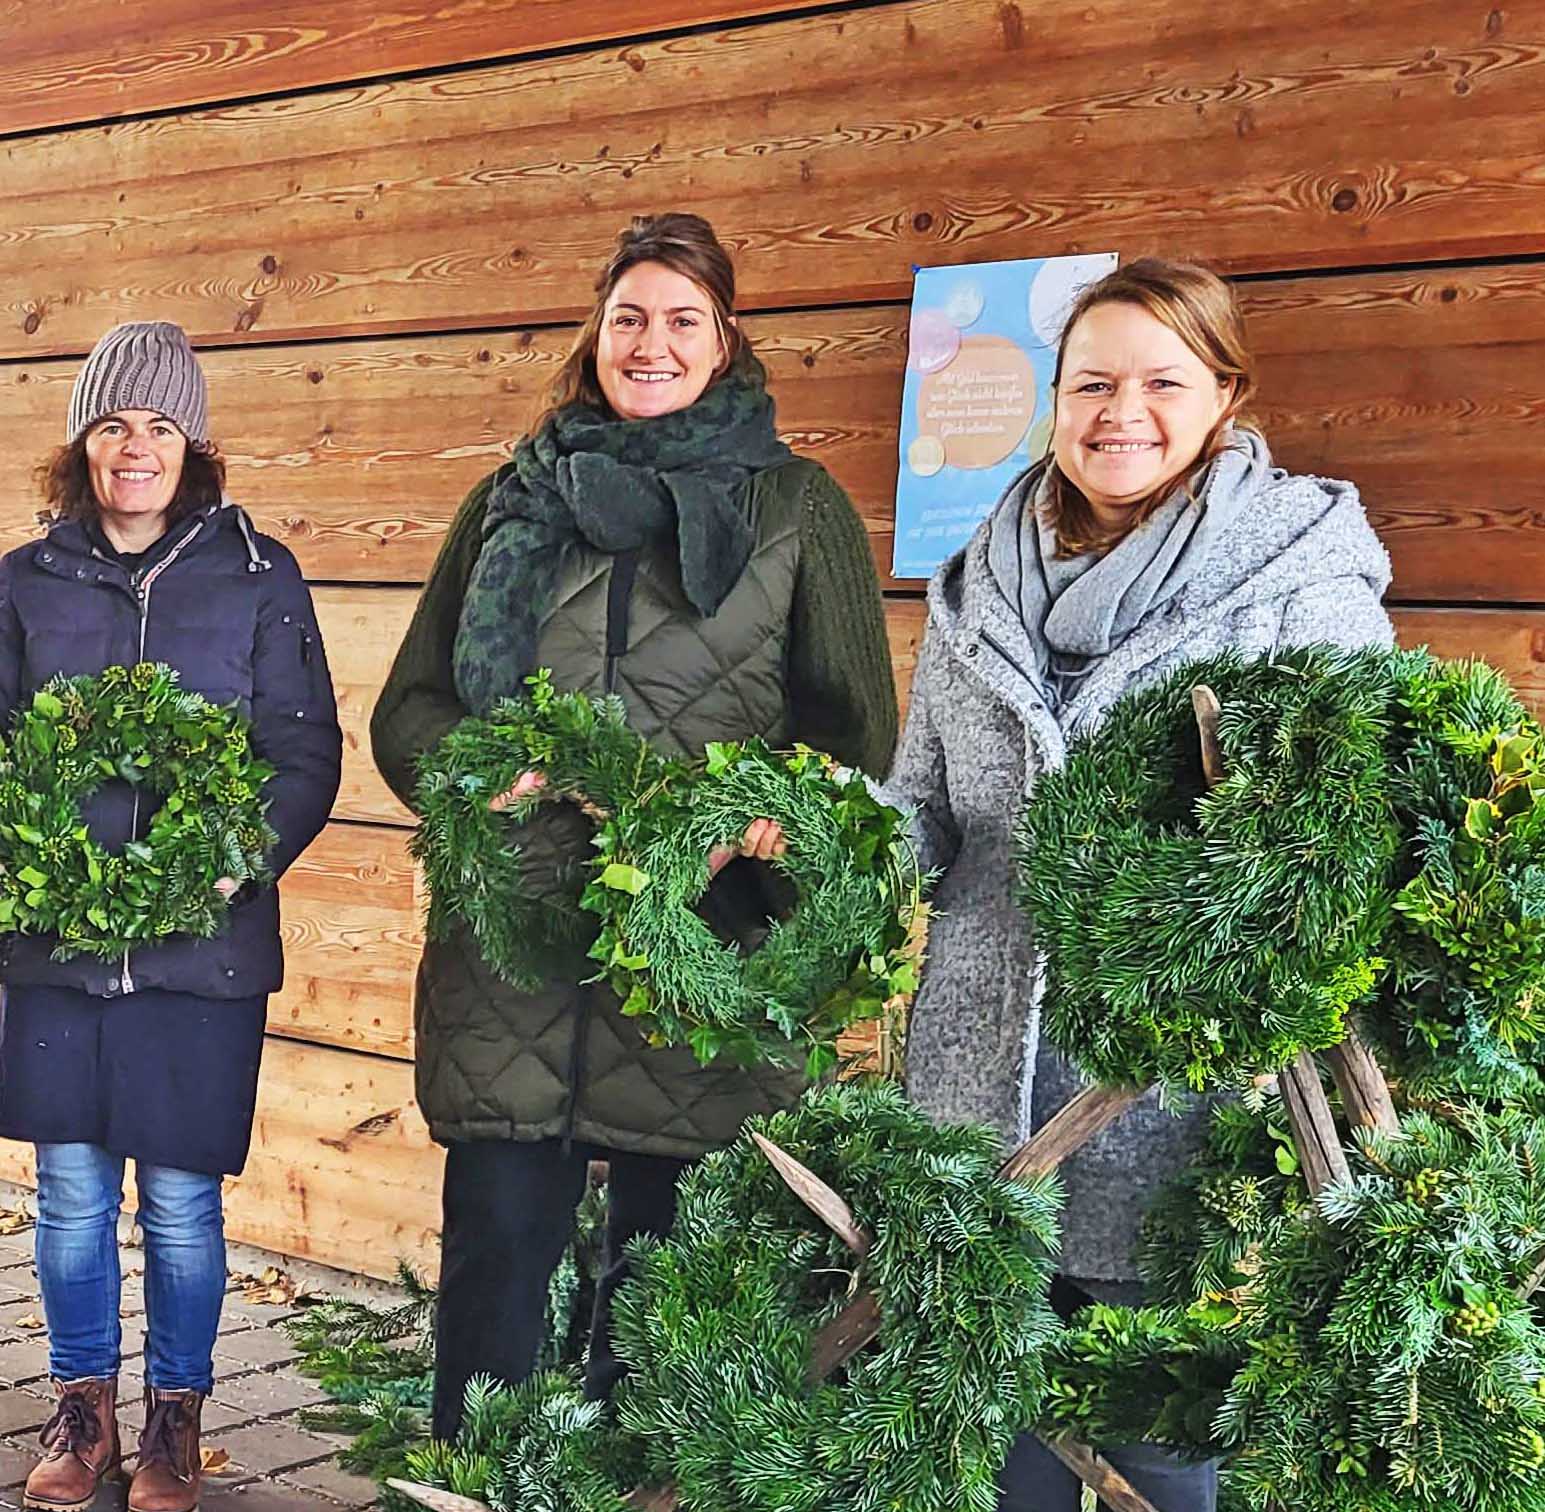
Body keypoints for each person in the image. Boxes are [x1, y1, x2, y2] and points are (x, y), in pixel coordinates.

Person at [370, 211, 897, 1439]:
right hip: (517, 955)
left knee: (665, 1310)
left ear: (724, 340)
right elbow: (412, 708)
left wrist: (758, 818)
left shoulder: (794, 510)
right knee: (495, 1274)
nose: (651, 344)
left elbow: (854, 736)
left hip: (704, 961)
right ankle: (477, 1487)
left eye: (680, 320)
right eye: (628, 318)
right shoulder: (508, 501)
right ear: (595, 334)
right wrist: (475, 774)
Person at [884, 258, 1394, 1511]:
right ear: (1055, 401)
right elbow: (923, 810)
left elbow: (1356, 833)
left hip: (1172, 1106)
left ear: (1226, 395)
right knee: (994, 1453)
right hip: (976, 1102)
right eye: (1092, 383)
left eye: (1164, 382)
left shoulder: (1298, 582)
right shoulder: (977, 588)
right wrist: (817, 848)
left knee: (1156, 1465)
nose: (1123, 412)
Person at [0, 322, 342, 1512]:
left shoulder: (258, 576)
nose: (134, 448)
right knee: (71, 1193)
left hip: (205, 953)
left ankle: (174, 1422)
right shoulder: (24, 582)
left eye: (156, 425)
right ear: (82, 444)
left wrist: (231, 864)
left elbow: (303, 751)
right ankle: (82, 1412)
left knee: (185, 1203)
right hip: (58, 948)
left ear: (191, 442)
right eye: (112, 425)